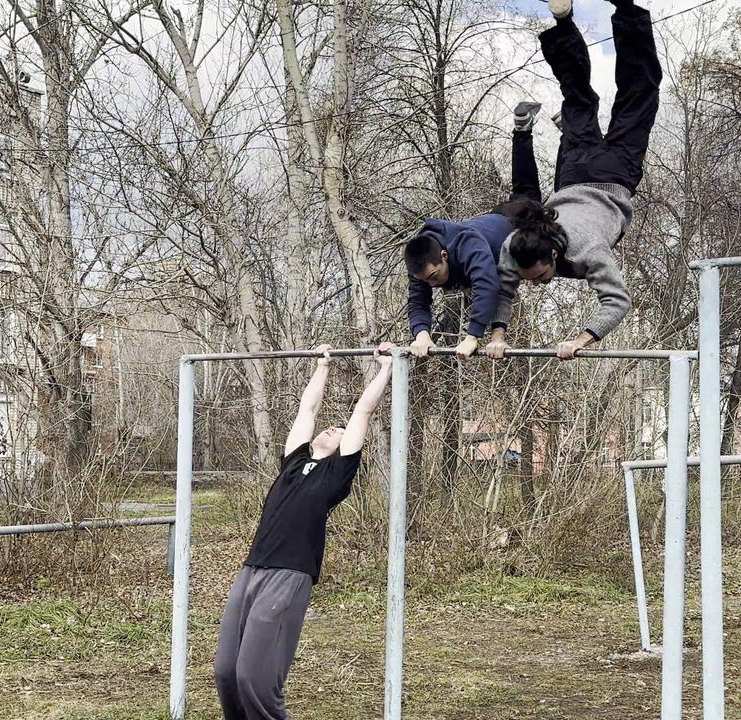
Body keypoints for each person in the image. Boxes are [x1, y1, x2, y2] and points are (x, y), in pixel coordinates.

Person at [214, 342, 395, 720]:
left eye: (340, 430)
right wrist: (322, 366)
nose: (334, 426)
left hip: (290, 572)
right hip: (253, 568)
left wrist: (385, 368)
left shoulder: (336, 476)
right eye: (332, 426)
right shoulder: (293, 463)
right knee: (227, 674)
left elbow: (363, 410)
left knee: (255, 679)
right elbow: (307, 410)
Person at [485, 0, 661, 361]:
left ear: (553, 253)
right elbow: (504, 286)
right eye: (530, 278)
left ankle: (618, 9)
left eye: (538, 275)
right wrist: (498, 335)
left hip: (615, 174)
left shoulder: (586, 249)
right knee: (577, 99)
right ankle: (563, 21)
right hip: (573, 171)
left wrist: (580, 340)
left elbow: (618, 300)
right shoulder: (516, 245)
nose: (534, 283)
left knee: (638, 96)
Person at [405, 102, 544, 358]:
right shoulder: (422, 263)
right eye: (427, 281)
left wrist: (473, 335)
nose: (433, 285)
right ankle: (526, 130)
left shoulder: (465, 243)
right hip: (496, 219)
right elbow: (418, 300)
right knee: (523, 189)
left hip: (519, 223)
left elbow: (487, 283)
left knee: (532, 192)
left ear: (444, 255)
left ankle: (556, 132)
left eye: (434, 277)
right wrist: (421, 333)